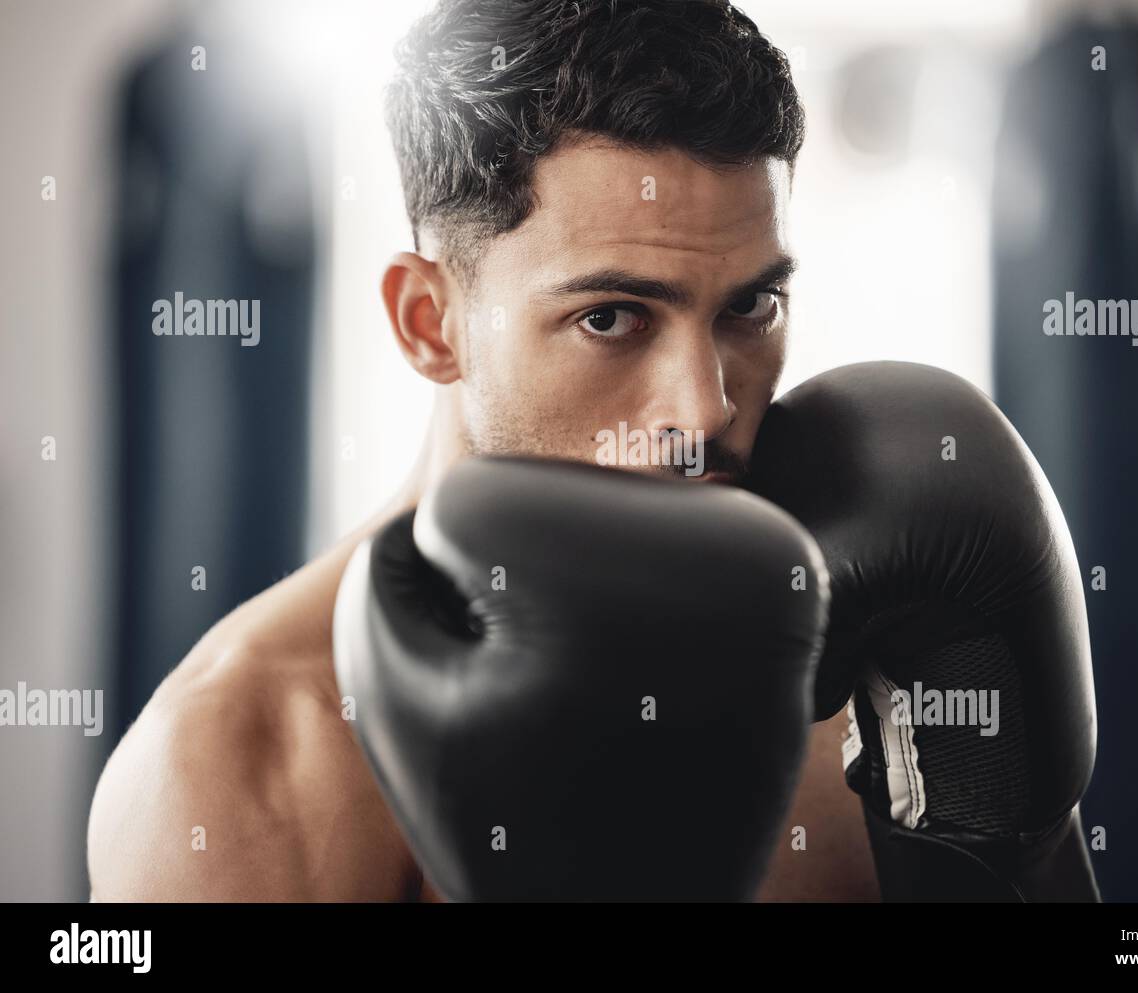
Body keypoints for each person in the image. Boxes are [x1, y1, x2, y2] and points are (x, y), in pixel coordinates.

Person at [87, 0, 881, 902]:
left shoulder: (862, 680)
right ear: (430, 323)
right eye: (611, 318)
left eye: (750, 309)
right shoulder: (243, 766)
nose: (705, 410)